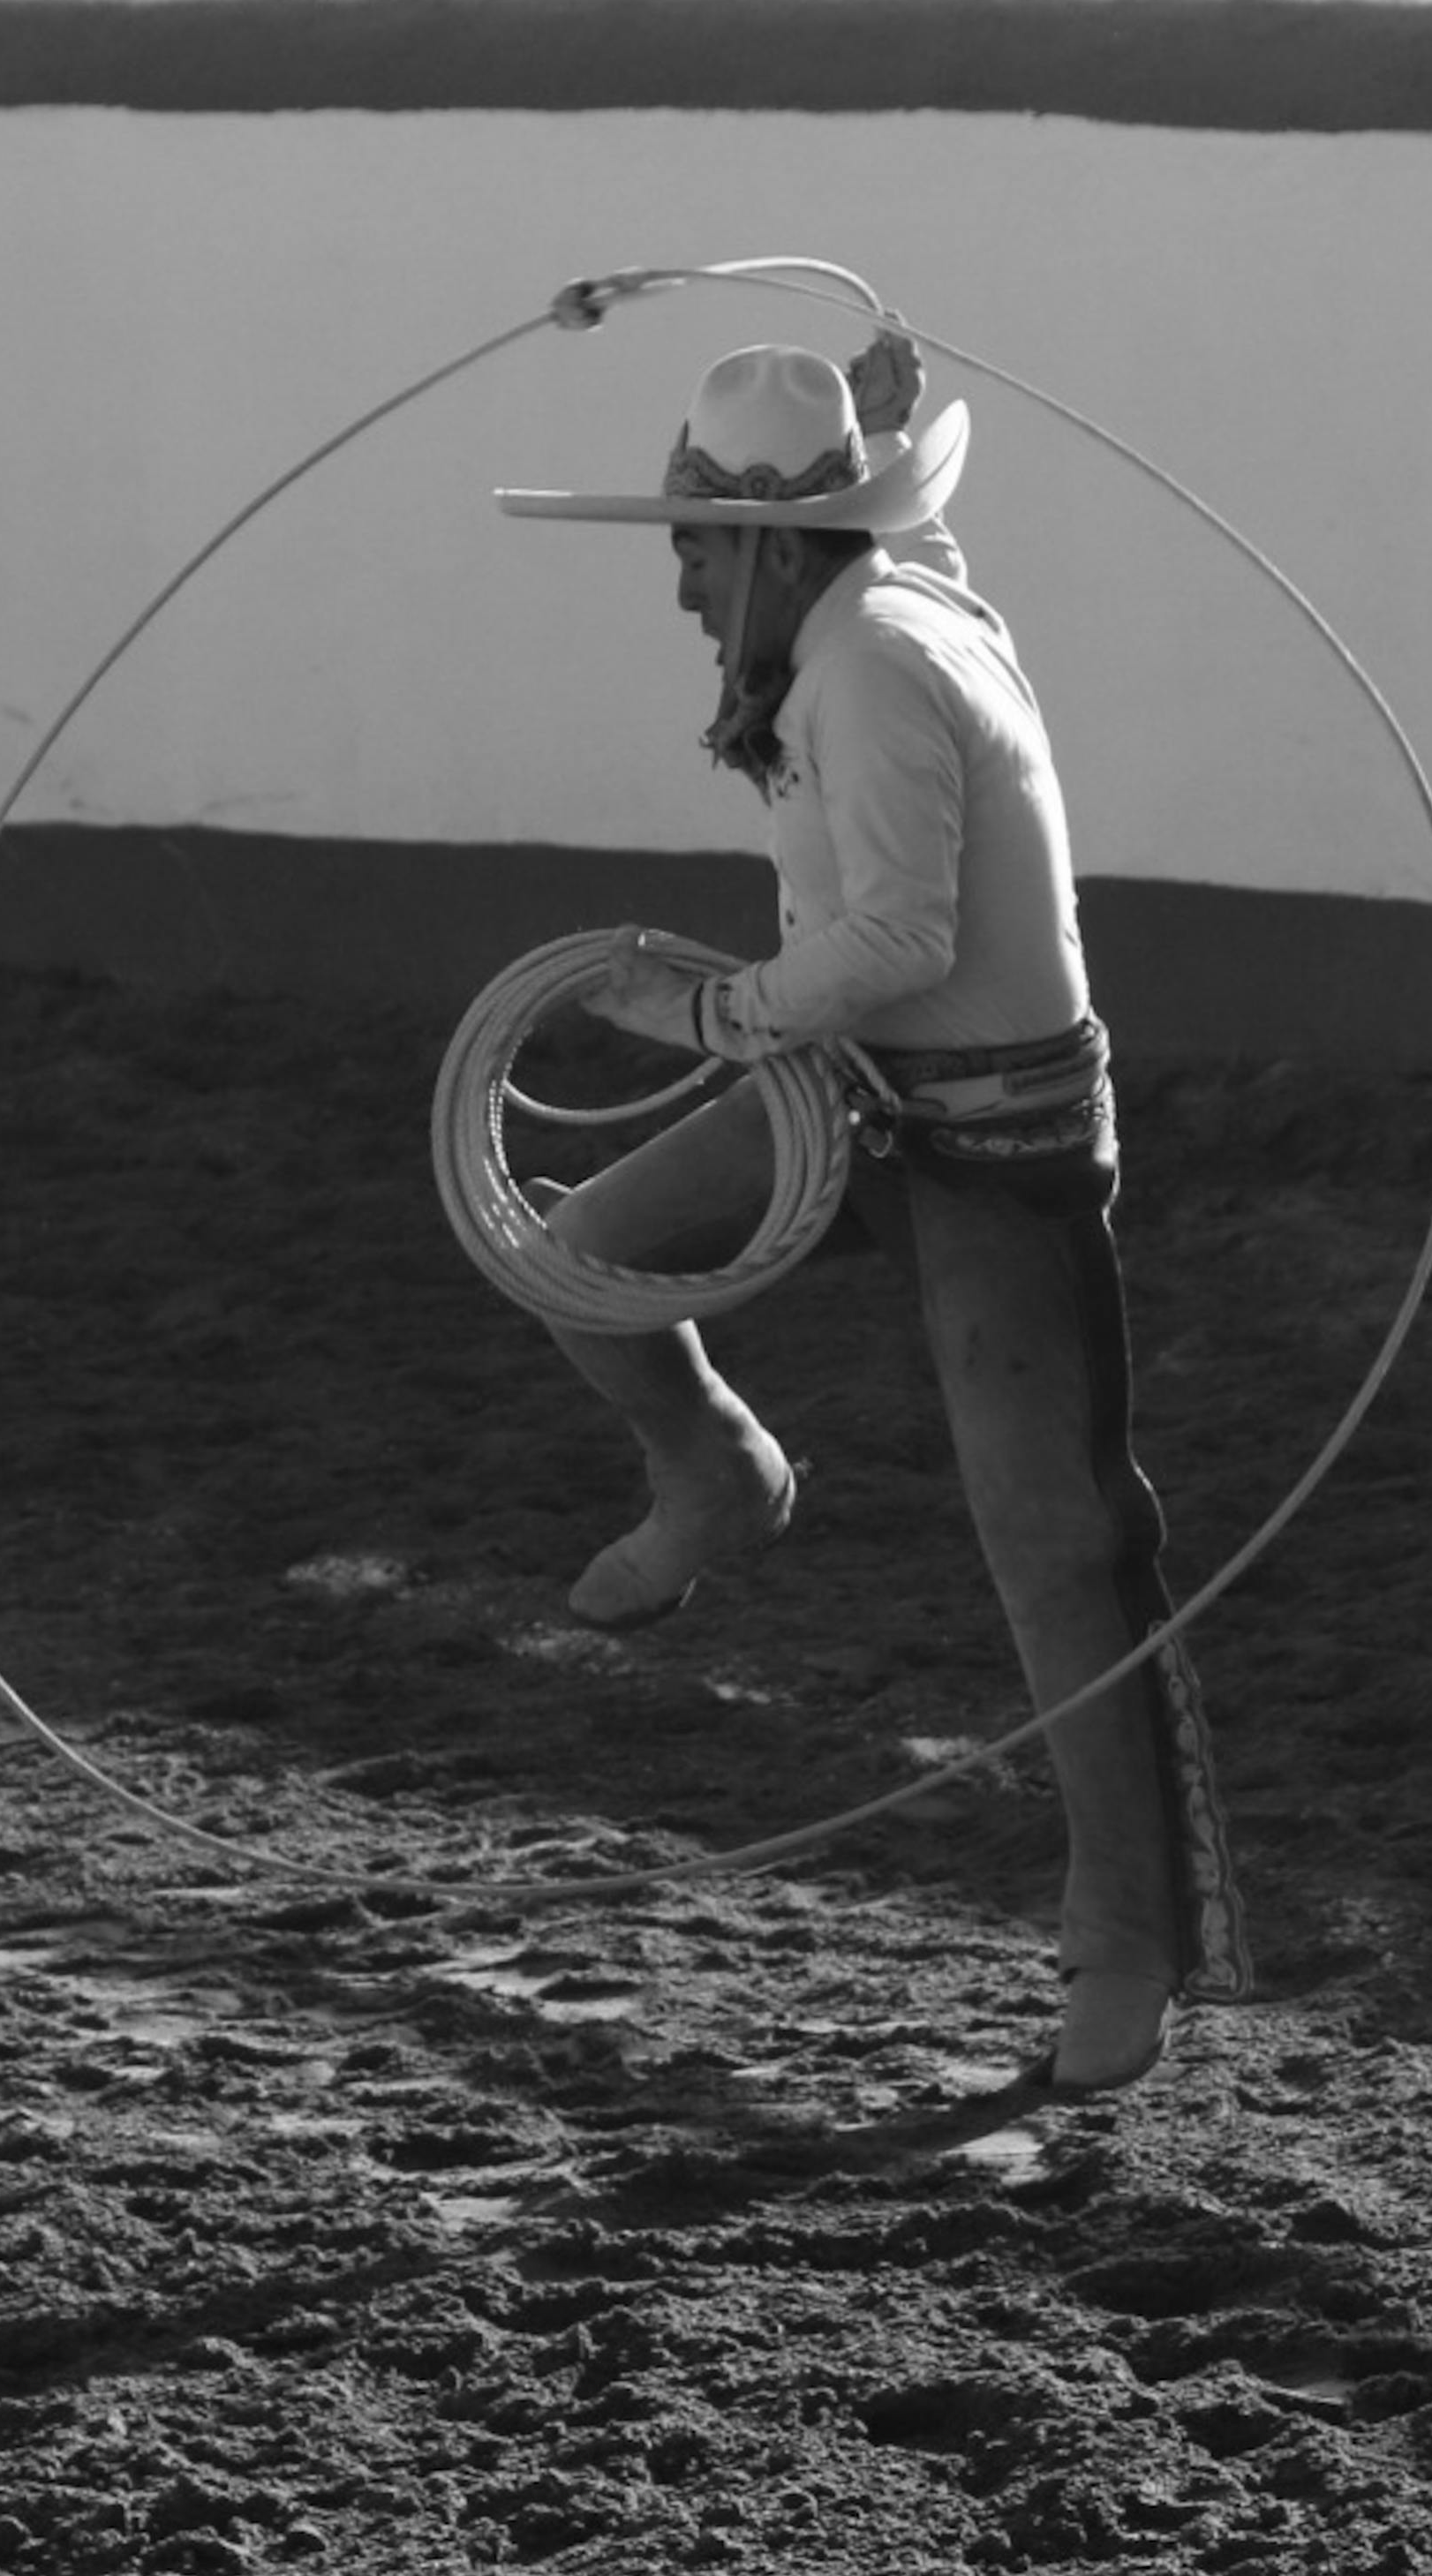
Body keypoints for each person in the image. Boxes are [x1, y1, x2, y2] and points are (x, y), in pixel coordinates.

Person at [494, 334, 1249, 2097]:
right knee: (572, 1260)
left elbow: (902, 938)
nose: (676, 576)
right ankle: (717, 1471)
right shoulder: (873, 610)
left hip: (985, 1138)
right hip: (858, 1094)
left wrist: (696, 1010)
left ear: (769, 548)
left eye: (693, 540)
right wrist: (879, 427)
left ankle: (1125, 1943)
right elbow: (920, 561)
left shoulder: (875, 664)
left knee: (1051, 1541)